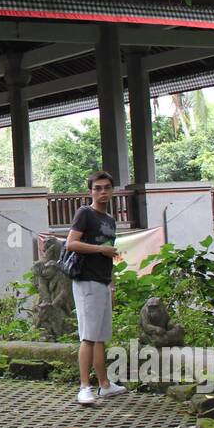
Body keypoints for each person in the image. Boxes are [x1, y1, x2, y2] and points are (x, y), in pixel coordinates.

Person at [65, 170, 127, 406]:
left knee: (101, 336)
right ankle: (84, 387)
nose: (102, 192)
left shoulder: (110, 220)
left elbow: (109, 253)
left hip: (102, 280)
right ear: (91, 191)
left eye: (106, 188)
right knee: (88, 337)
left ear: (112, 190)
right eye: (98, 188)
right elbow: (71, 243)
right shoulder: (85, 214)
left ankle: (105, 385)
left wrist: (111, 284)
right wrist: (100, 249)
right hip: (85, 279)